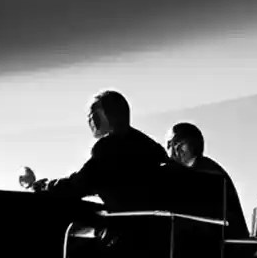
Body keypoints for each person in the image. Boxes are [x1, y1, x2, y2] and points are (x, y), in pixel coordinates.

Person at [18, 89, 168, 210]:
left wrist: (45, 186)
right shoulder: (152, 147)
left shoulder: (108, 147)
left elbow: (79, 185)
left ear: (108, 116)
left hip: (127, 233)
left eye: (92, 115)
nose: (89, 121)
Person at [166, 122, 249, 239]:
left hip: (222, 249)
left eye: (177, 143)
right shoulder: (202, 171)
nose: (172, 150)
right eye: (169, 144)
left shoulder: (207, 175)